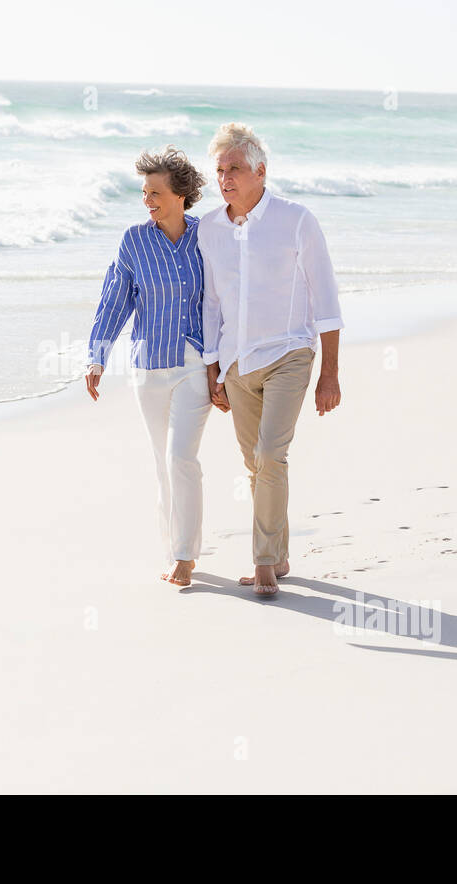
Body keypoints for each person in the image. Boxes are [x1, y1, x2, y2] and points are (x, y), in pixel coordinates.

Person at [198, 123, 344, 596]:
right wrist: (211, 366)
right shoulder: (209, 229)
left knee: (270, 455)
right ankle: (279, 555)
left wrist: (330, 374)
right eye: (220, 170)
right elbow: (211, 304)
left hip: (290, 353)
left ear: (261, 171)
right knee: (256, 465)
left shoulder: (296, 220)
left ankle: (262, 562)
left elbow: (325, 298)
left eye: (235, 169)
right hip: (237, 364)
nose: (226, 178)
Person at [86, 145, 215, 587]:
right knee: (163, 462)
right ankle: (173, 546)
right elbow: (115, 299)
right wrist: (96, 355)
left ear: (181, 194)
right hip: (148, 367)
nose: (148, 200)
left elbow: (229, 297)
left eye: (156, 192)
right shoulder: (133, 241)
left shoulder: (208, 236)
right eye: (144, 193)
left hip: (194, 364)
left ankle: (185, 556)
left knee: (182, 457)